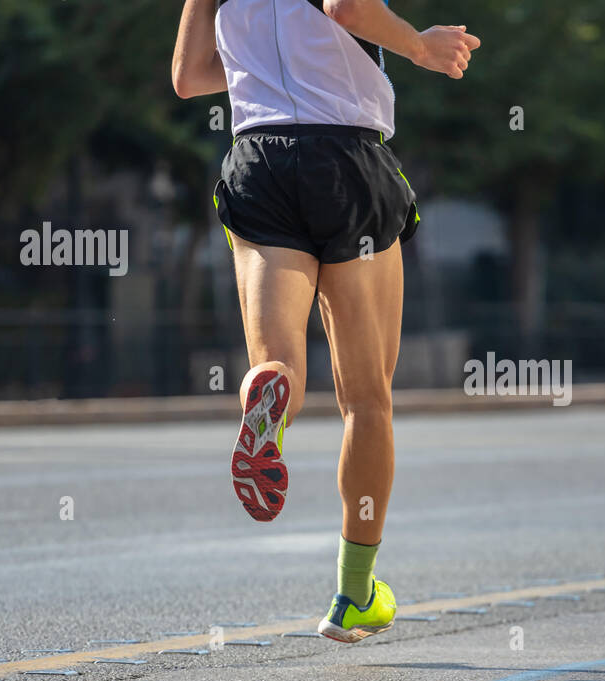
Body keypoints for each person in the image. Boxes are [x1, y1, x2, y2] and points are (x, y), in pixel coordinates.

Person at [171, 0, 479, 642]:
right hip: (344, 157)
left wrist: (266, 63)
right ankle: (354, 594)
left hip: (258, 159)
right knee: (366, 399)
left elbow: (190, 77)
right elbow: (347, 6)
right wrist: (420, 47)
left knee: (276, 358)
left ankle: (268, 395)